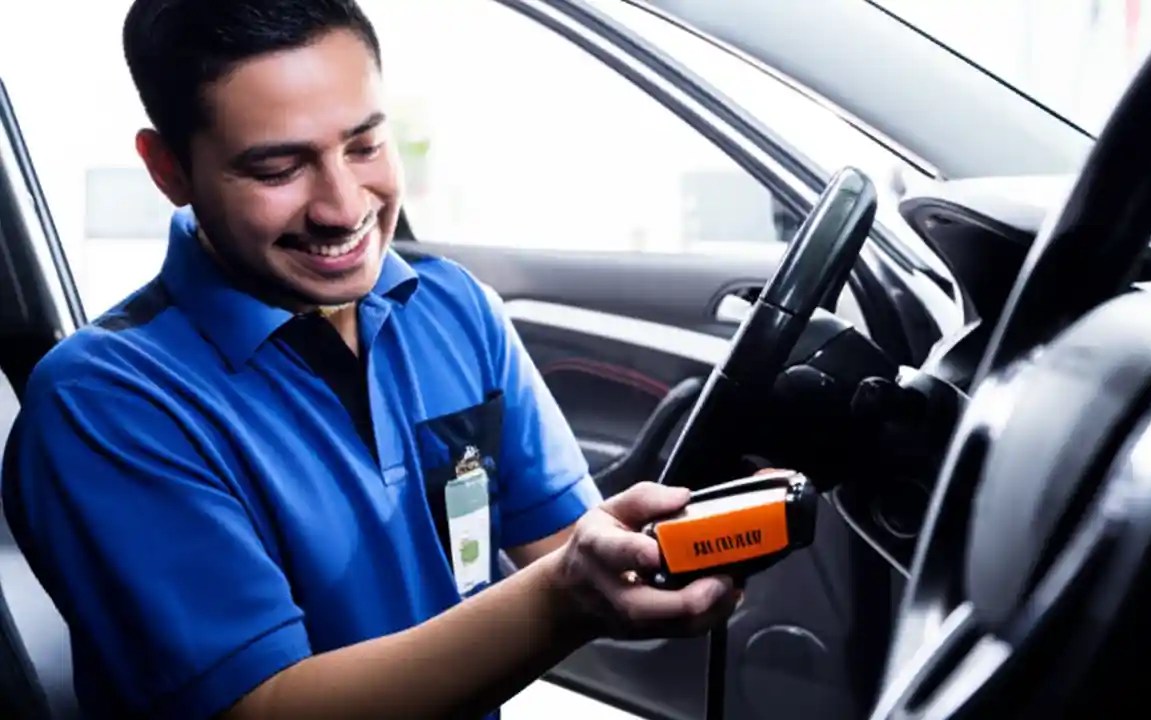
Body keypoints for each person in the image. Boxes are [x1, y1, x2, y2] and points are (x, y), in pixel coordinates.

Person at [0, 1, 741, 718]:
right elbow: (264, 708)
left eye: (364, 146)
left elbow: (568, 546)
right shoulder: (104, 404)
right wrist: (562, 596)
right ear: (169, 170)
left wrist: (699, 531)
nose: (343, 205)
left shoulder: (454, 309)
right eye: (278, 169)